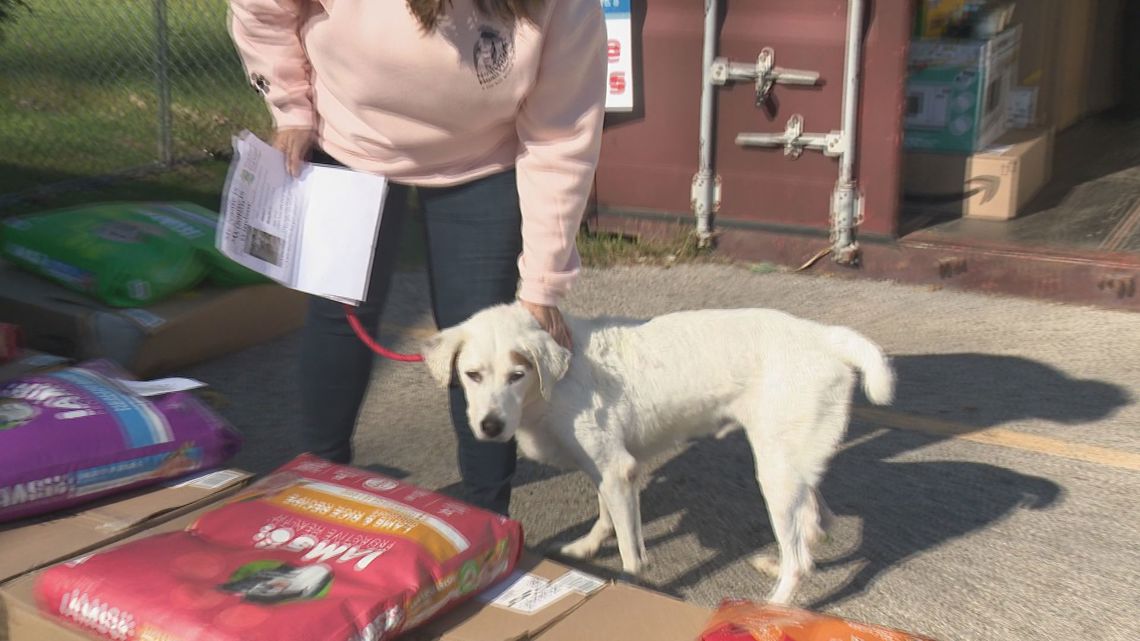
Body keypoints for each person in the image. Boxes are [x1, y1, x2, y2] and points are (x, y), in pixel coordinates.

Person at [228, 0, 607, 516]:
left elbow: (562, 135)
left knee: (485, 340)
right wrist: (290, 106)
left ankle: (486, 521)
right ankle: (319, 488)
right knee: (339, 320)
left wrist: (542, 285)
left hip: (482, 152)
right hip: (350, 138)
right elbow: (261, 10)